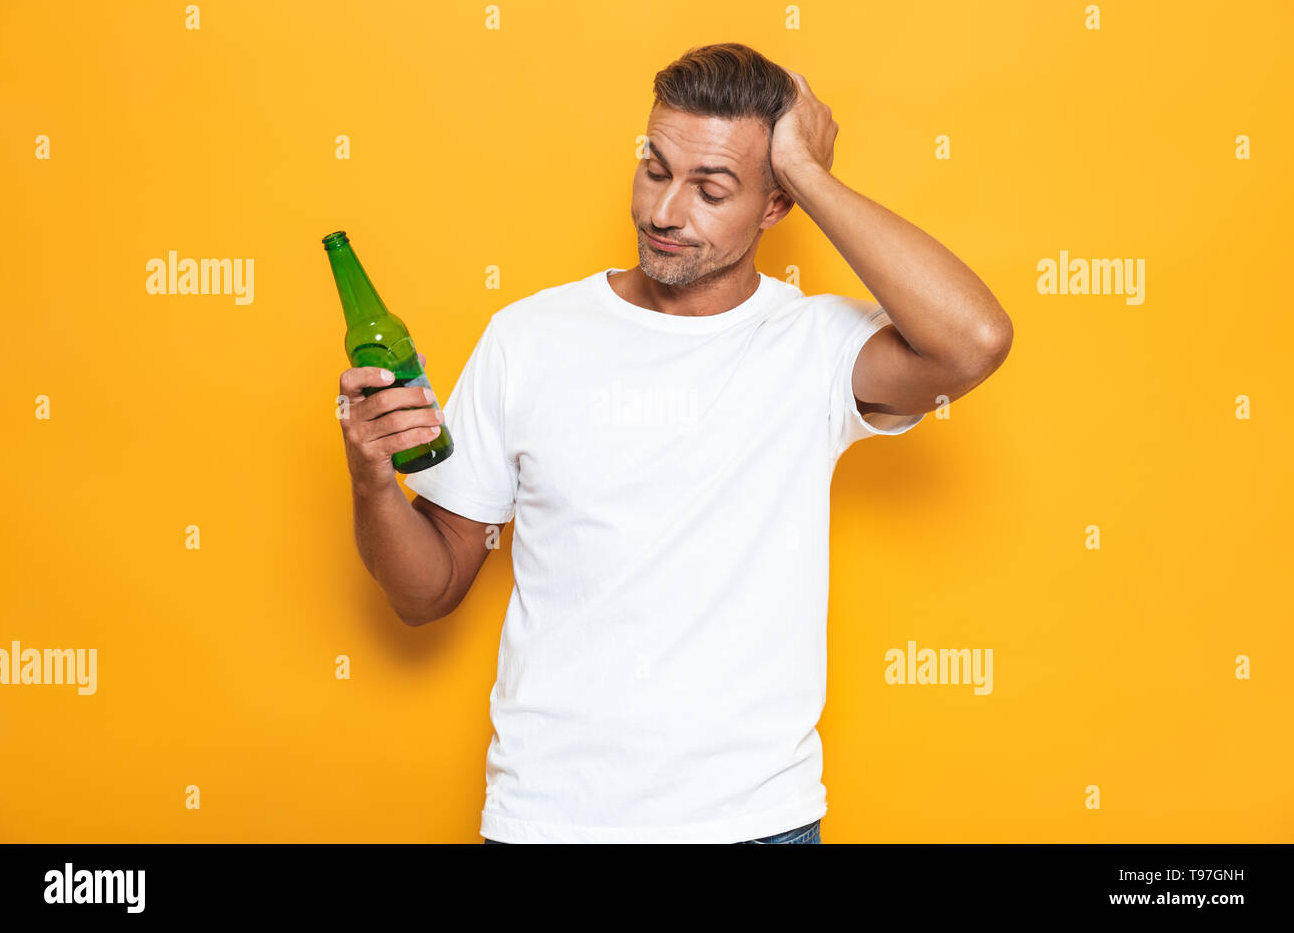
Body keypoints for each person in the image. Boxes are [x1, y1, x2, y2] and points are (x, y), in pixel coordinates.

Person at [337, 42, 1013, 844]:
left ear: (775, 205)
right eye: (656, 169)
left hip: (754, 824)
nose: (664, 211)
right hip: (550, 822)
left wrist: (812, 174)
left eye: (711, 189)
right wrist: (373, 478)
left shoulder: (815, 347)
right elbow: (426, 593)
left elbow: (973, 341)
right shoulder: (530, 338)